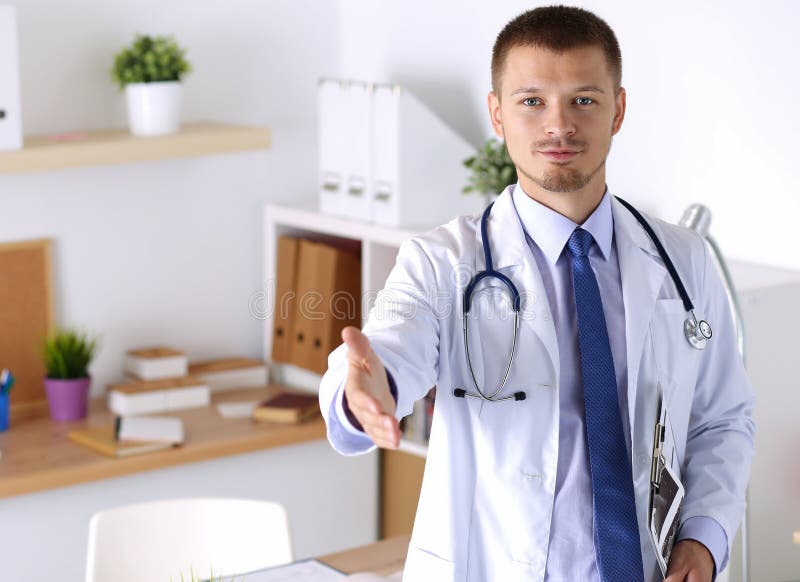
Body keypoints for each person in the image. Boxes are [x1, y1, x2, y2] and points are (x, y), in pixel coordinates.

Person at [319, 6, 754, 582]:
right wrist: (367, 389)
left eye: (583, 99)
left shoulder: (684, 260)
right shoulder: (443, 262)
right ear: (497, 114)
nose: (559, 125)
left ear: (618, 109)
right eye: (531, 101)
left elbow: (722, 420)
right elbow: (391, 347)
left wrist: (705, 535)